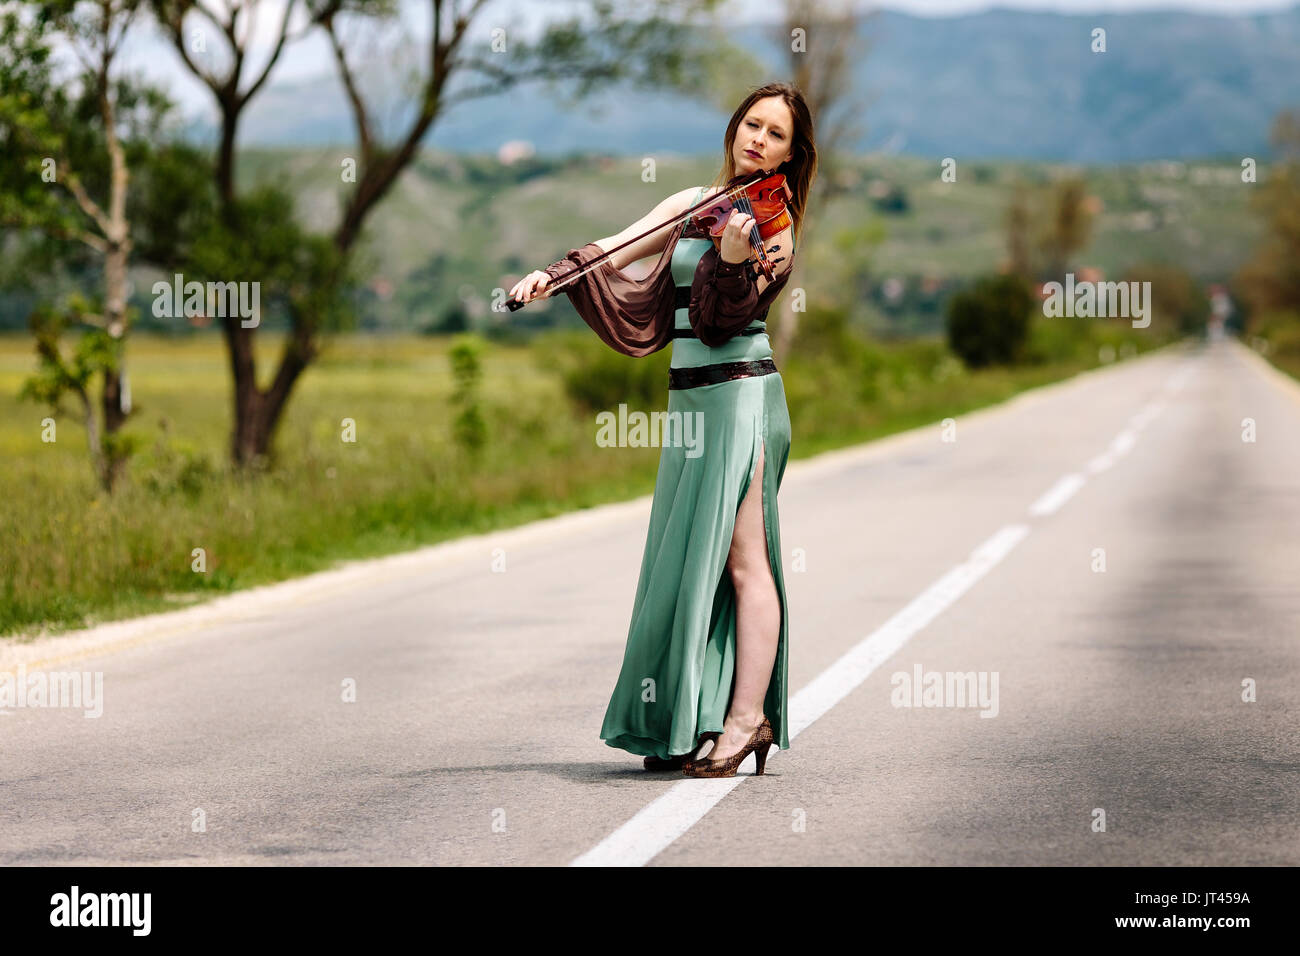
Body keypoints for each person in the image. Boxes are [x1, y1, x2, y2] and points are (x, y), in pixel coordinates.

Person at [509, 82, 817, 778]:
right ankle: (678, 724)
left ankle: (746, 722)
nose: (757, 140)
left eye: (775, 134)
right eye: (751, 124)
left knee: (744, 561)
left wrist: (734, 262)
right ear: (734, 128)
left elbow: (719, 319)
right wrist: (549, 277)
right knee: (682, 562)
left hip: (740, 399)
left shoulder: (772, 227)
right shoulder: (691, 205)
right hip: (690, 406)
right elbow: (617, 250)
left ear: (791, 155)